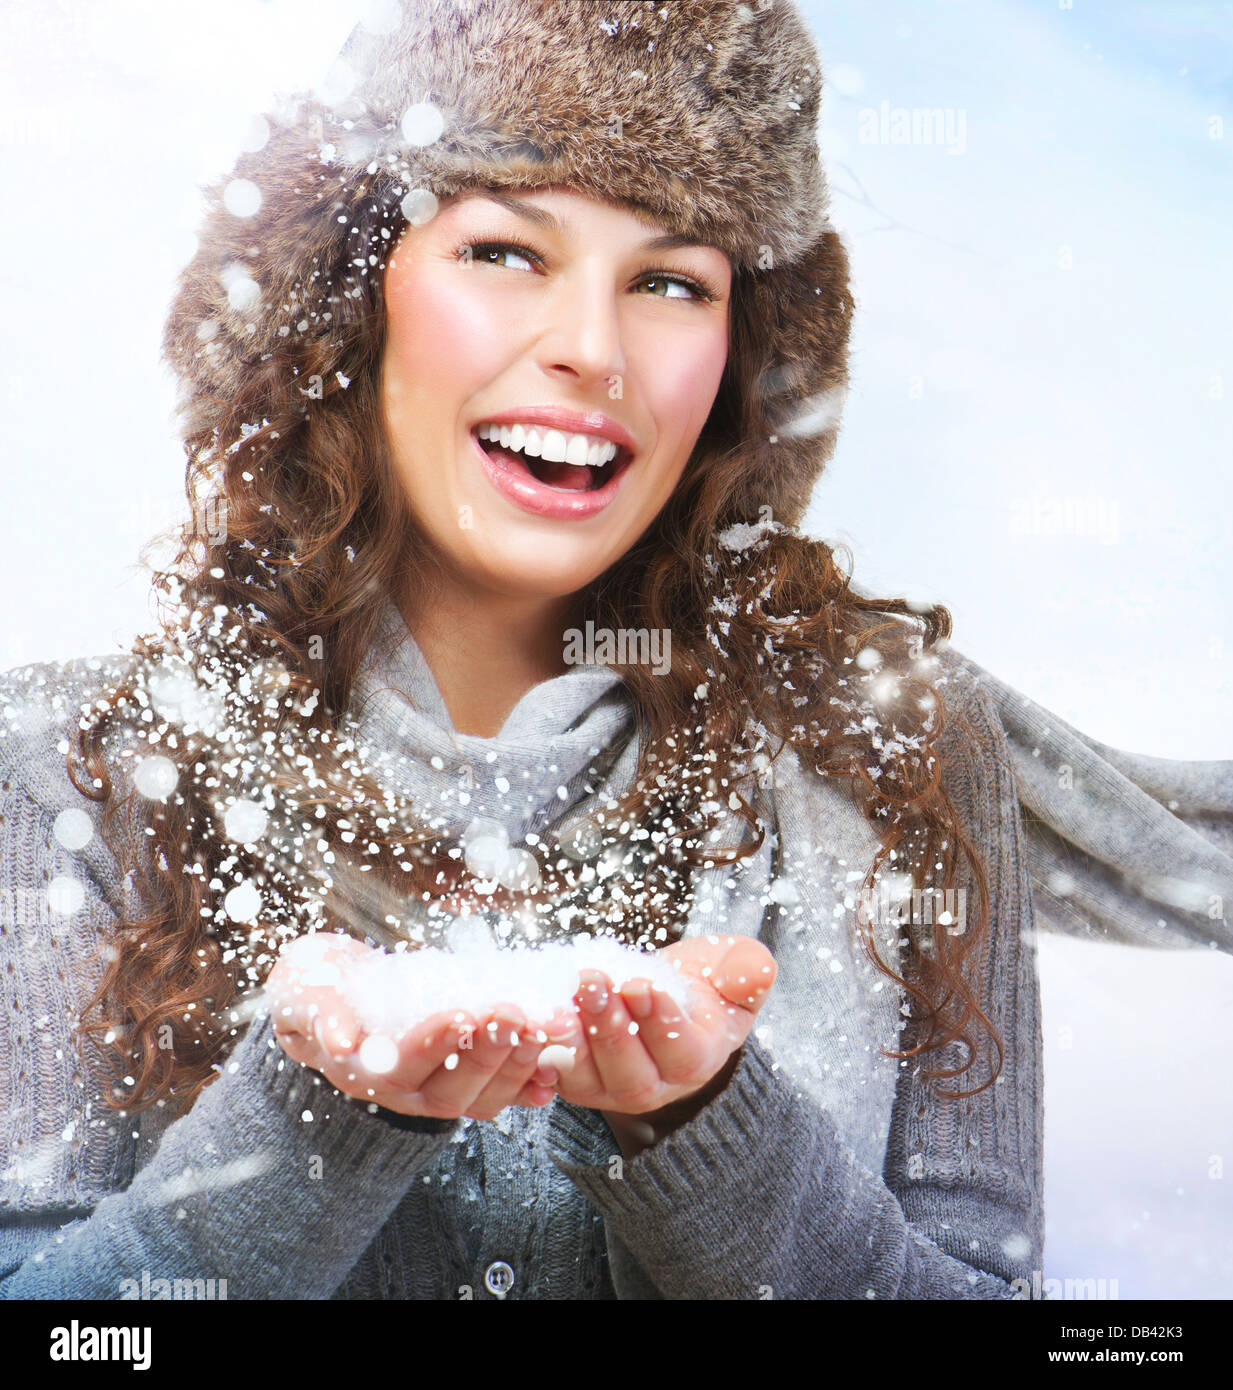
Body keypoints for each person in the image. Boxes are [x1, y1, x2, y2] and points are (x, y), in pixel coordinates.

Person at [0, 0, 1228, 1302]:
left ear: (739, 359)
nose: (591, 349)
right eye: (504, 253)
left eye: (668, 281)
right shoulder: (56, 776)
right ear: (348, 296)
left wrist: (706, 1138)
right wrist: (313, 1129)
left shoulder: (901, 755)